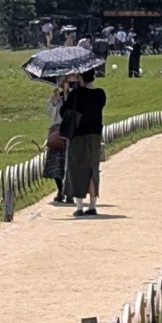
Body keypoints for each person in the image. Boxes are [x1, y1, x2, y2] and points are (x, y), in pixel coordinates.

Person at [62, 70, 107, 217]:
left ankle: (79, 206)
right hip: (95, 135)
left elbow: (65, 113)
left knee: (76, 168)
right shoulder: (101, 94)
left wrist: (68, 95)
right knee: (92, 168)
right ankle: (93, 205)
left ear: (81, 77)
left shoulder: (76, 94)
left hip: (78, 136)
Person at [44, 84, 72, 204]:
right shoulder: (58, 97)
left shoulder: (74, 96)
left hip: (69, 131)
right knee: (55, 163)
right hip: (56, 131)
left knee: (70, 163)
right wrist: (55, 101)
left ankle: (70, 191)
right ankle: (60, 190)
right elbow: (49, 111)